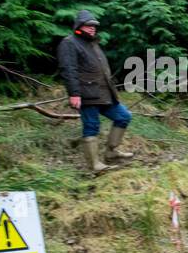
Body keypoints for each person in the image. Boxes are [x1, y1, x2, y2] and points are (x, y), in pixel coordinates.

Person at [57, 10, 134, 174]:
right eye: (88, 25)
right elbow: (68, 69)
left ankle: (111, 153)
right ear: (79, 26)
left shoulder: (93, 44)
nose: (92, 28)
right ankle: (94, 166)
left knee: (124, 116)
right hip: (86, 94)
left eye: (94, 26)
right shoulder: (69, 43)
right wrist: (74, 93)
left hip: (104, 94)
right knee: (92, 127)